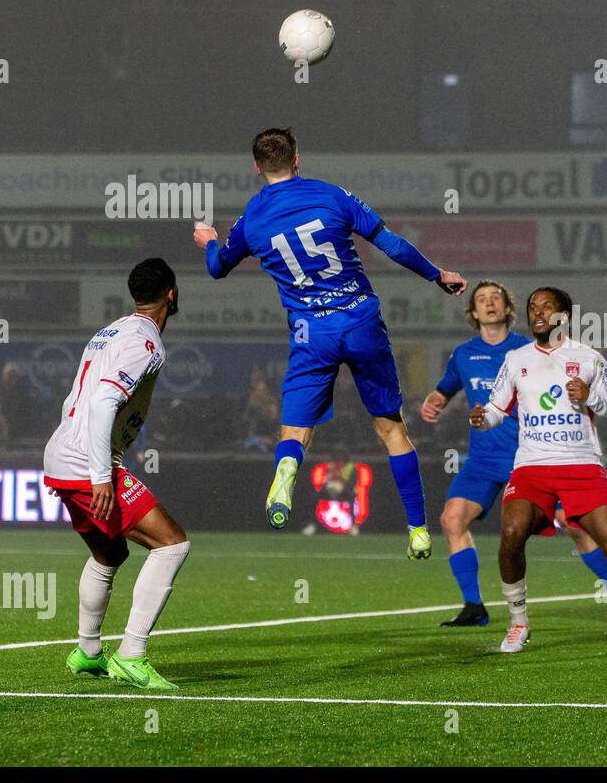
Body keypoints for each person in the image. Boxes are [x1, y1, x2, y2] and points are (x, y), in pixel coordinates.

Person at [193, 128, 467, 559]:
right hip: (360, 320)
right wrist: (438, 274)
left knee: (295, 430)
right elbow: (390, 243)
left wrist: (209, 241)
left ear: (256, 167)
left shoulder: (253, 218)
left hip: (310, 331)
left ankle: (286, 471)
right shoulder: (331, 195)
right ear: (298, 158)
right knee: (391, 428)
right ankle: (416, 527)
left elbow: (217, 267)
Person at [470, 287, 607, 656]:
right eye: (532, 307)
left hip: (581, 465)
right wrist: (481, 419)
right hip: (532, 467)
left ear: (565, 316)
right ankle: (518, 624)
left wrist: (589, 396)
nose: (538, 312)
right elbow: (495, 410)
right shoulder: (515, 359)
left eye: (547, 307)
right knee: (510, 534)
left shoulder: (588, 358)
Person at [420, 280, 607, 627]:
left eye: (496, 298)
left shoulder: (528, 351)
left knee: (574, 527)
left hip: (526, 459)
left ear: (509, 309)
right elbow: (447, 387)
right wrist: (436, 399)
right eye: (481, 299)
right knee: (452, 519)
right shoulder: (463, 355)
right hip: (482, 458)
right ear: (473, 312)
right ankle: (474, 607)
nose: (489, 303)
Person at [42, 258, 191, 690]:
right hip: (87, 464)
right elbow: (103, 400)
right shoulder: (146, 343)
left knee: (110, 554)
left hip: (62, 454)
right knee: (172, 545)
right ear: (172, 294)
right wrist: (100, 474)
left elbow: (75, 398)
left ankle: (88, 653)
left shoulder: (109, 331)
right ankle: (132, 654)